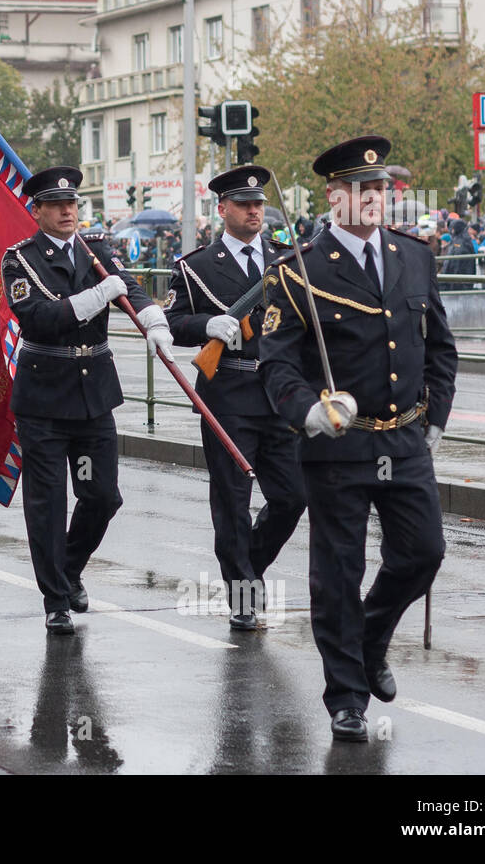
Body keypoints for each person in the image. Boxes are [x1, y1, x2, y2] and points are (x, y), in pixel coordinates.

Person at [259, 135, 458, 743]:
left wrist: (437, 417)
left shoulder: (414, 255)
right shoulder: (297, 271)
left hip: (403, 440)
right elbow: (277, 364)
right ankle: (346, 695)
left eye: (379, 188)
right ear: (333, 196)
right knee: (339, 572)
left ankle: (371, 639)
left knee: (423, 552)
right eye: (360, 189)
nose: (373, 198)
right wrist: (308, 412)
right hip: (339, 446)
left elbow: (439, 345)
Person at [0, 166, 172, 635]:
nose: (67, 212)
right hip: (44, 397)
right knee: (47, 502)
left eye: (72, 205)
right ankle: (55, 598)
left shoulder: (94, 250)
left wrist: (153, 319)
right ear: (36, 212)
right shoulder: (20, 259)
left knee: (101, 496)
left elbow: (129, 287)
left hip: (93, 392)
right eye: (56, 206)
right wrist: (99, 295)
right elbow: (37, 318)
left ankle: (69, 568)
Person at [165, 165, 306, 630]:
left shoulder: (287, 261)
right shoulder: (196, 267)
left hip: (277, 393)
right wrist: (205, 326)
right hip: (226, 393)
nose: (254, 211)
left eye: (259, 204)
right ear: (222, 209)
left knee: (292, 496)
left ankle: (249, 566)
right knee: (232, 499)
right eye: (244, 204)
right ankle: (242, 594)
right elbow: (173, 323)